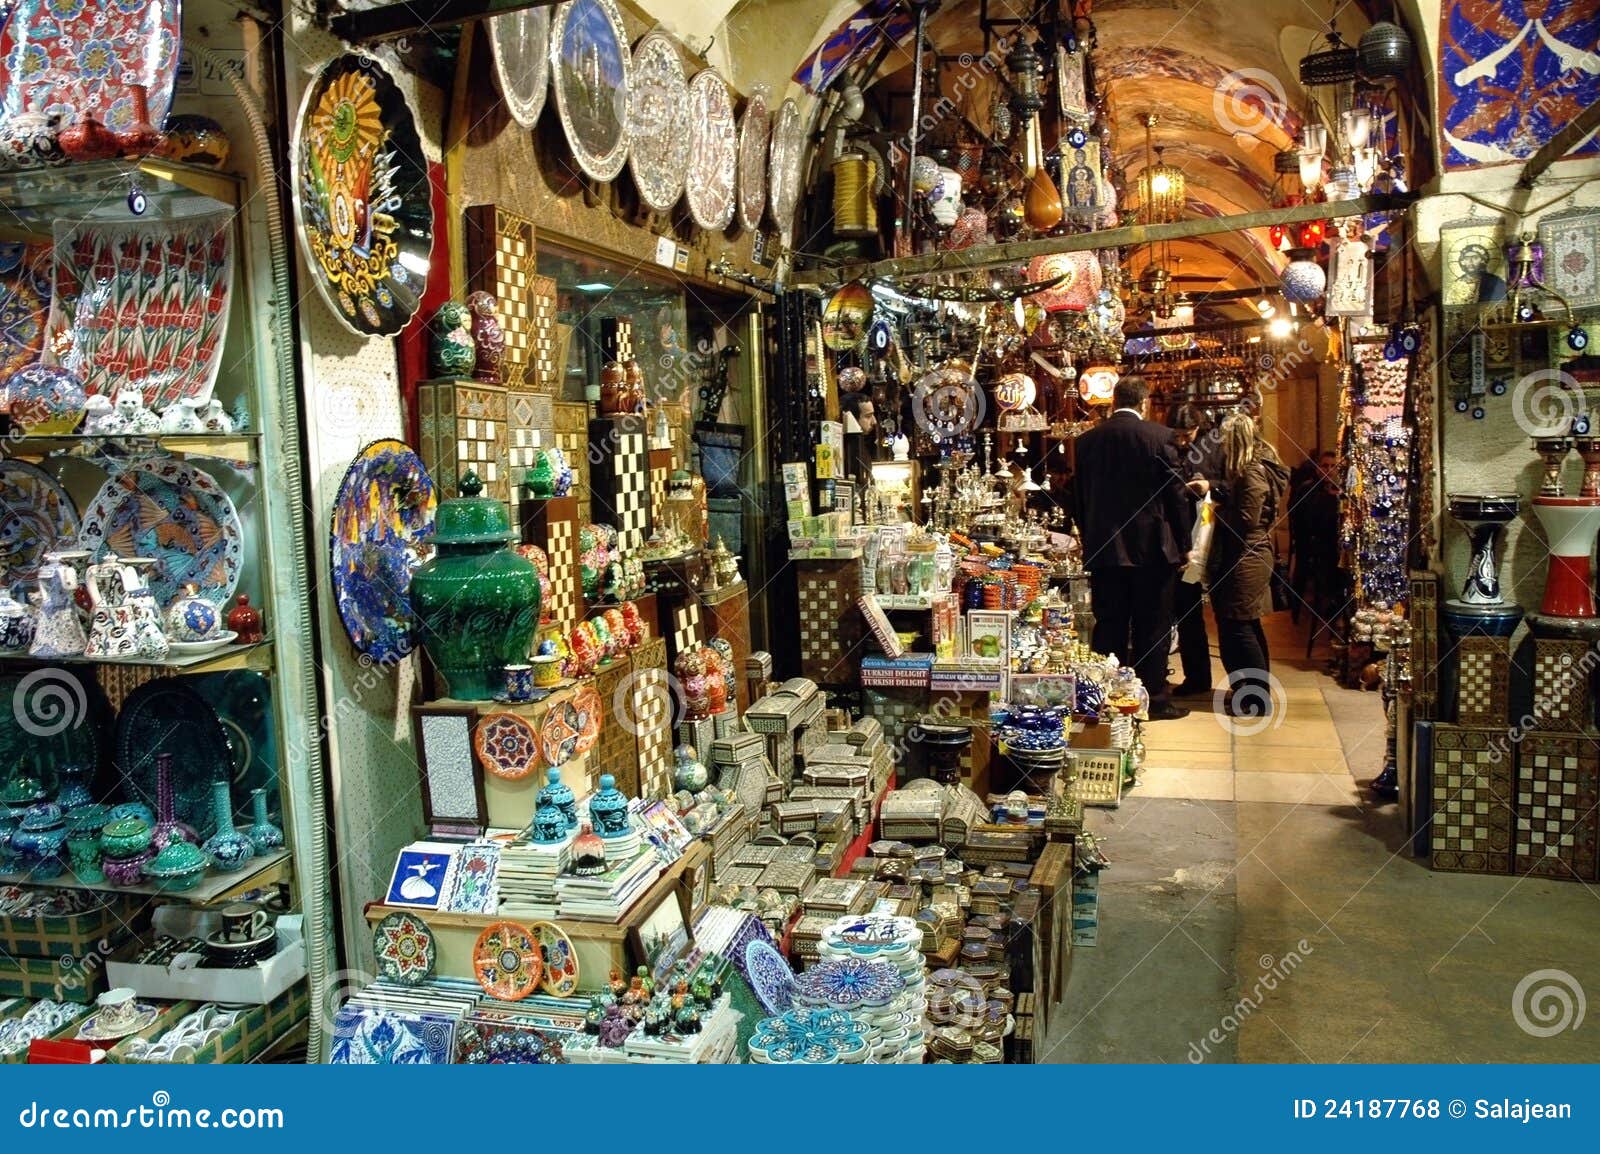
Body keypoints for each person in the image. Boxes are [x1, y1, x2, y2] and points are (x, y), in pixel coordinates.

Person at [1071, 376, 1196, 720]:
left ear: (1114, 401)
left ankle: (1103, 697)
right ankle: (1152, 699)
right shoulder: (1160, 437)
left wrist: (1089, 534)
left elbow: (1078, 498)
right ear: (1143, 403)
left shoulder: (1087, 441)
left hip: (1106, 550)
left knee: (1108, 623)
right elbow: (1176, 497)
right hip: (1152, 552)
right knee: (1152, 626)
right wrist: (1185, 545)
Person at [1205, 412, 1289, 717]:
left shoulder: (1251, 470)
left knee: (1239, 625)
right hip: (1247, 553)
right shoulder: (1254, 467)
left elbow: (1247, 519)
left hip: (1247, 554)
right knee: (1245, 624)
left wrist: (1216, 509)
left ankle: (1255, 698)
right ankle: (1249, 691)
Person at [1168, 405, 1214, 698]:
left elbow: (1223, 489)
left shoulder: (1210, 451)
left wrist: (1205, 487)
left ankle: (1198, 677)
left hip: (1196, 538)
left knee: (1189, 613)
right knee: (1175, 612)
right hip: (1172, 539)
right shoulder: (1166, 447)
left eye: (1189, 434)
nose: (1184, 440)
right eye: (1180, 435)